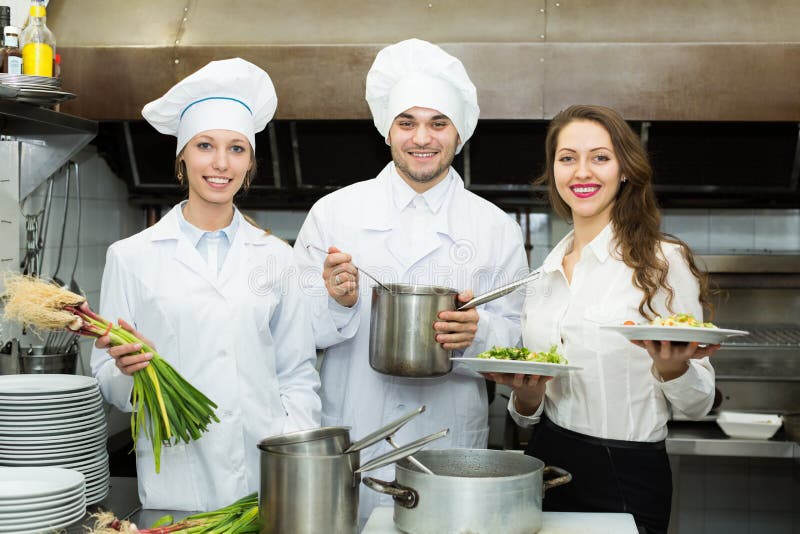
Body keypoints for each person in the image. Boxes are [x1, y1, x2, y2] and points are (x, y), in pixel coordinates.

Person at [293, 38, 528, 522]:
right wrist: (336, 303)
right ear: (387, 131)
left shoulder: (495, 227)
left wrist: (479, 332)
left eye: (438, 123)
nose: (422, 137)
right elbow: (293, 333)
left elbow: (522, 338)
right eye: (408, 122)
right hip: (353, 432)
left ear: (458, 134)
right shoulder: (335, 214)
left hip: (449, 443)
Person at [90, 58, 321, 511]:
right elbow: (106, 382)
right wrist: (129, 372)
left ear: (251, 161)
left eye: (237, 148)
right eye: (205, 146)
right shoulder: (131, 256)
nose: (220, 163)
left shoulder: (277, 257)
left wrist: (292, 449)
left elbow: (297, 373)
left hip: (264, 475)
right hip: (177, 476)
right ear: (182, 156)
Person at [486, 104, 718, 534]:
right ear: (554, 170)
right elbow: (527, 412)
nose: (582, 172)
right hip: (545, 458)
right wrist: (528, 399)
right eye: (567, 157)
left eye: (600, 157)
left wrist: (672, 368)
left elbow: (699, 402)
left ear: (624, 170)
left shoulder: (663, 264)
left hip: (626, 470)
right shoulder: (544, 274)